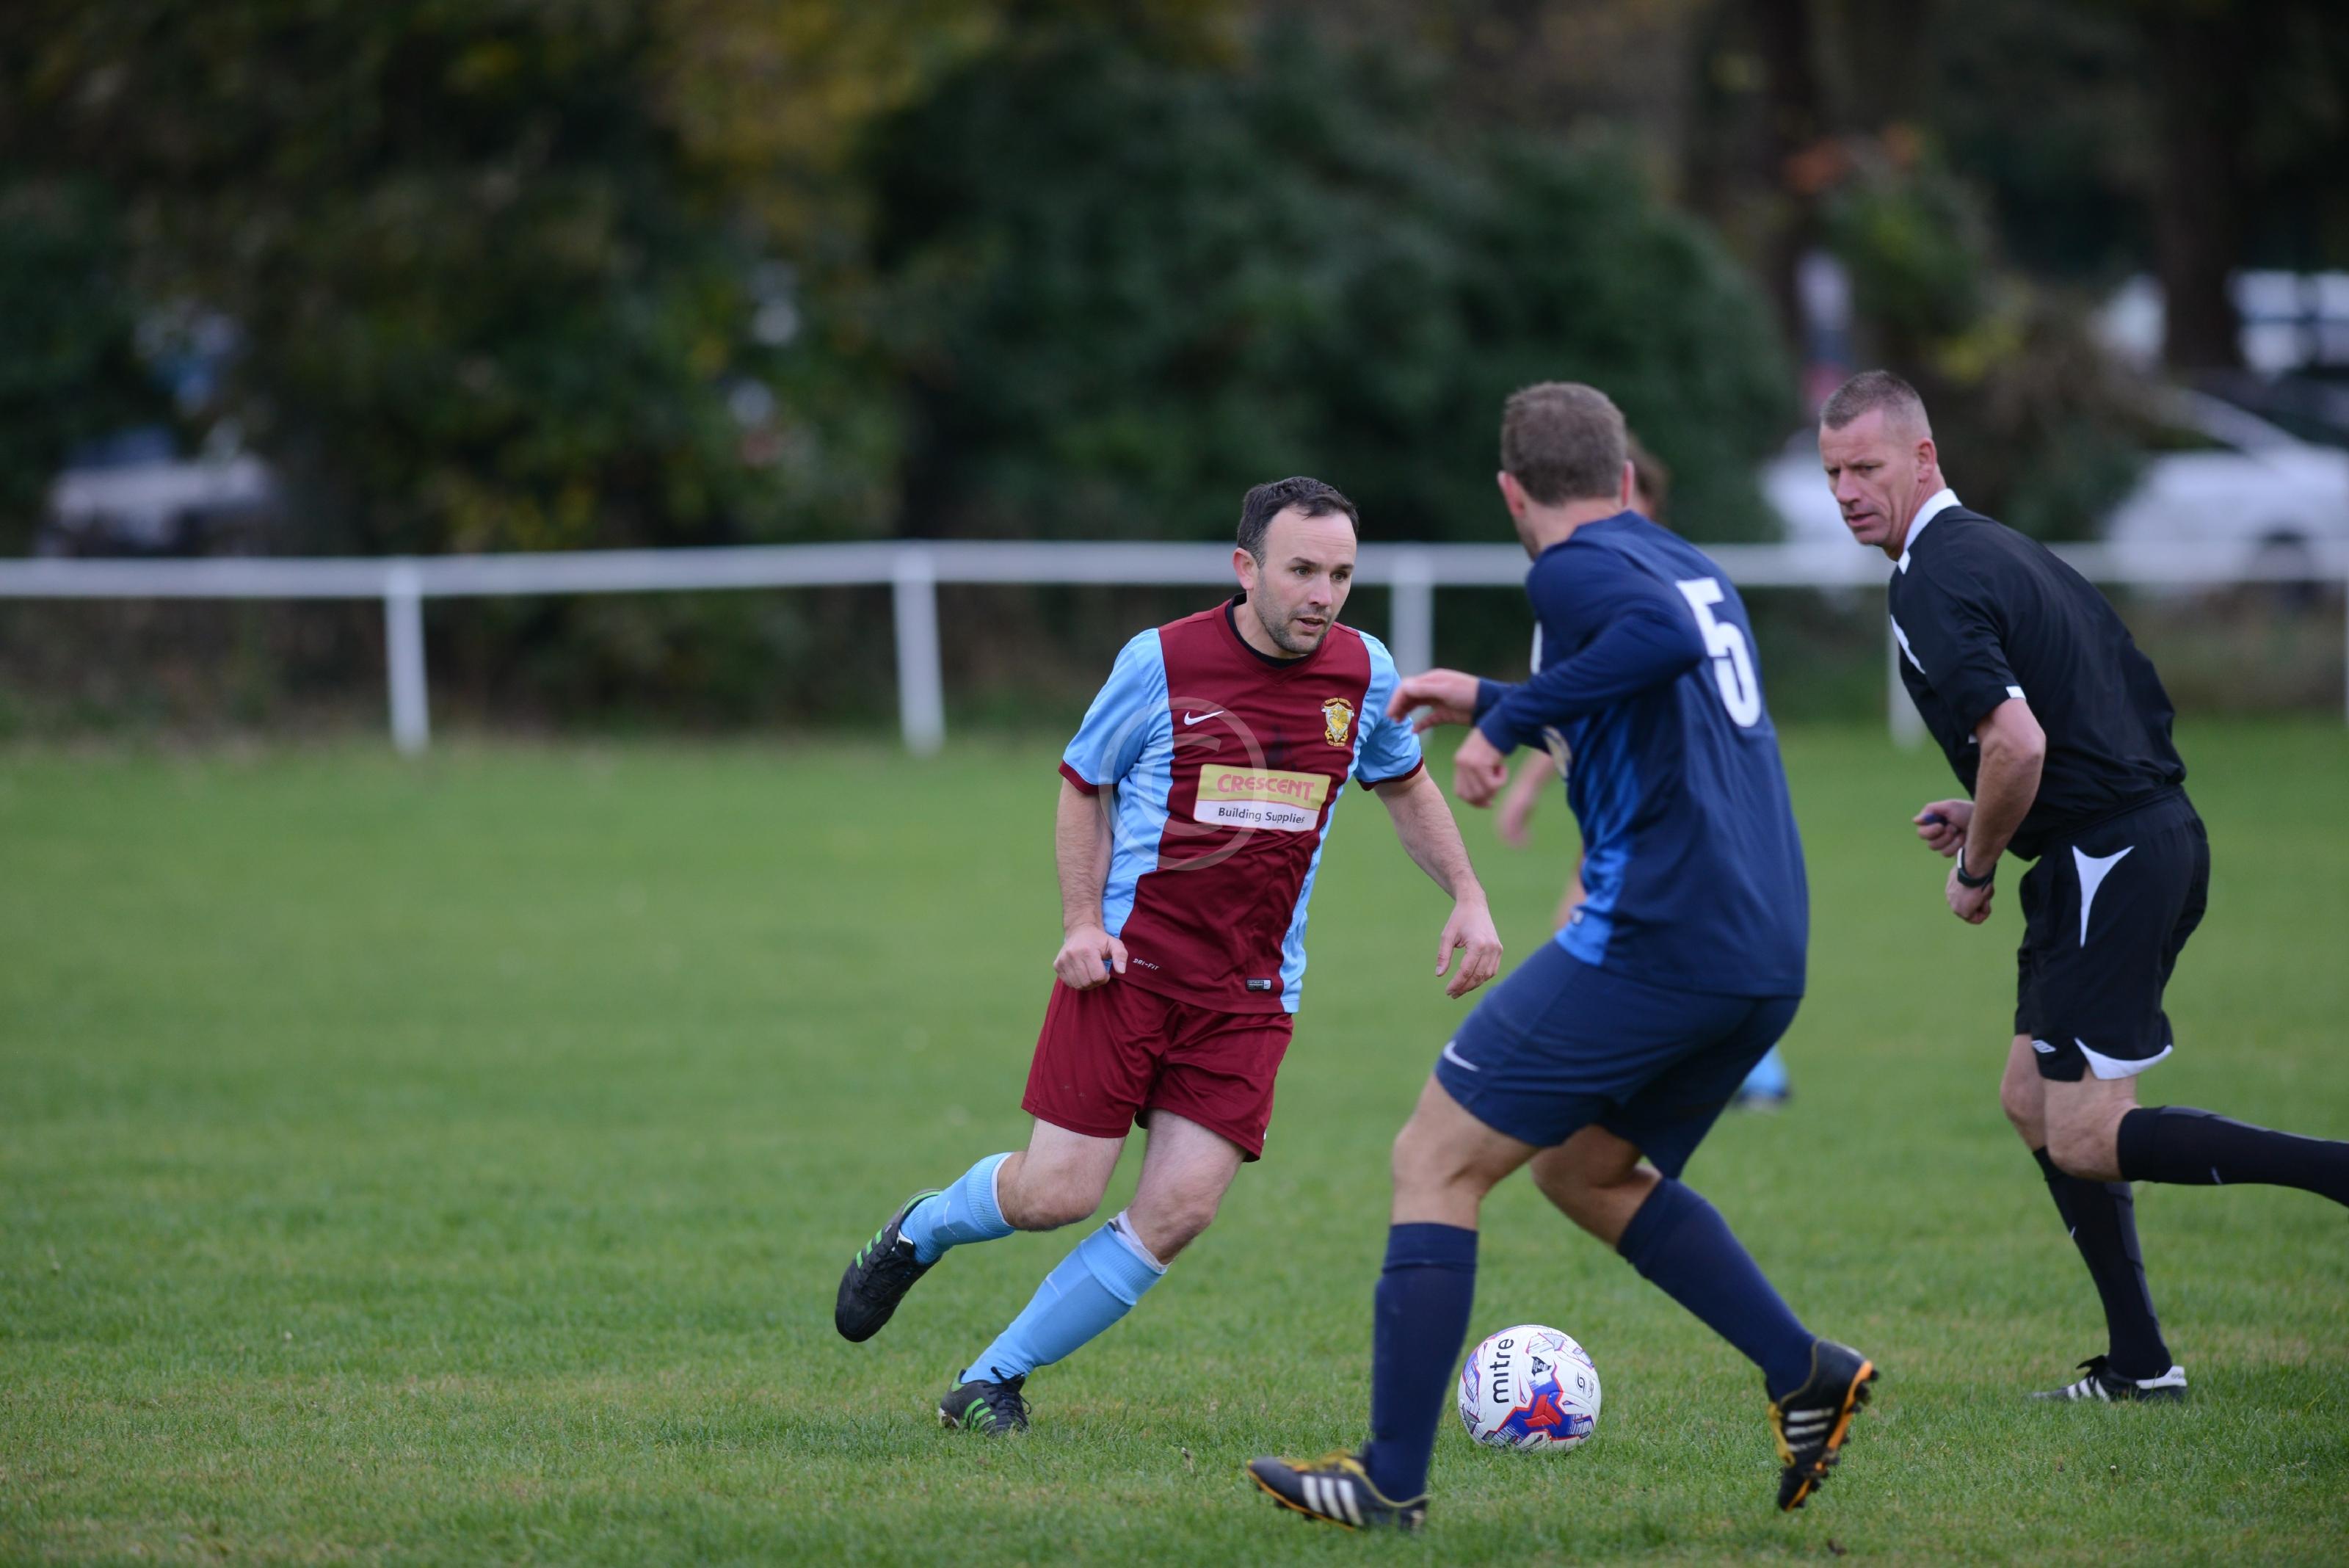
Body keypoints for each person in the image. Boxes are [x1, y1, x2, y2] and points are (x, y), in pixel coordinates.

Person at [1245, 384, 1873, 1532]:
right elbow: (1649, 686)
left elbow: (1653, 648)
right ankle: (1807, 1372)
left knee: (1434, 1158)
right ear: (1626, 478)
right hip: (1764, 945)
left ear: (1510, 492)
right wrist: (1493, 696)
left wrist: (1496, 727)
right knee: (1580, 1170)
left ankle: (1387, 1481)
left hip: (1660, 936)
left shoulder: (1574, 572)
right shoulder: (1682, 561)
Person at [833, 476, 1506, 1435]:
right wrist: (1079, 924)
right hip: (1127, 974)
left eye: (1342, 575)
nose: (1323, 594)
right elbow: (1082, 783)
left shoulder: (1364, 673)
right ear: (1247, 569)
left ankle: (990, 1381)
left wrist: (1471, 896)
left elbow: (1404, 785)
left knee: (1181, 1208)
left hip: (1252, 993)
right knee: (1055, 1194)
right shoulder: (1160, 662)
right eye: (1303, 570)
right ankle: (923, 1227)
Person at [1818, 369, 2349, 1403]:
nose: (1846, 490)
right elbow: (2091, 714)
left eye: (1866, 466)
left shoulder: (1934, 575)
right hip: (2111, 845)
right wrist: (1998, 815)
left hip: (2115, 858)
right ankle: (2142, 1367)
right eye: (1833, 471)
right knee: (2033, 1103)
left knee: (2089, 1133)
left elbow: (2016, 742)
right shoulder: (1998, 549)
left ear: (1923, 459)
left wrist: (1977, 868)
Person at [1495, 436, 1791, 1108]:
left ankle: (1719, 1068)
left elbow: (1584, 703)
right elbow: (1575, 704)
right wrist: (1527, 780)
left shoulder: (1625, 591)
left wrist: (1501, 741)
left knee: (1601, 943)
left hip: (1659, 810)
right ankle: (1710, 1065)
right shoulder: (1682, 574)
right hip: (1639, 804)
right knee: (1596, 937)